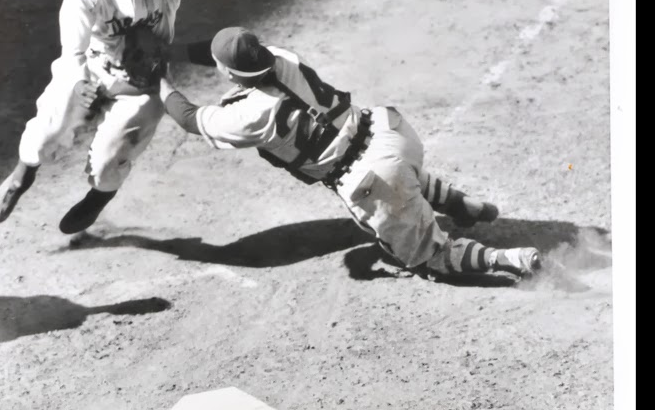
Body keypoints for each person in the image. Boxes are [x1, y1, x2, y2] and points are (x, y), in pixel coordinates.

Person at [157, 26, 543, 282]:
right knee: (401, 176)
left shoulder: (248, 116)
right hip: (390, 131)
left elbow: (191, 118)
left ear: (228, 73)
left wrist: (157, 80)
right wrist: (171, 49)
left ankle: (509, 260)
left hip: (371, 177)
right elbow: (229, 58)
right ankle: (463, 204)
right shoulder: (280, 56)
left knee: (431, 258)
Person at [0, 0, 217, 234]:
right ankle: (22, 174)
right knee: (48, 131)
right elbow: (72, 53)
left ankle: (98, 197)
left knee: (111, 161)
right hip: (93, 69)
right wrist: (79, 83)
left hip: (144, 80)